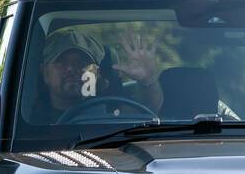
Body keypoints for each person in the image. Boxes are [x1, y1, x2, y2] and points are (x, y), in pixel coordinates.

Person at [34, 29, 163, 122]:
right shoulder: (28, 123)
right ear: (45, 73)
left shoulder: (114, 112)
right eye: (60, 62)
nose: (70, 69)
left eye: (81, 63)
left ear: (97, 73)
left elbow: (148, 112)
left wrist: (148, 80)